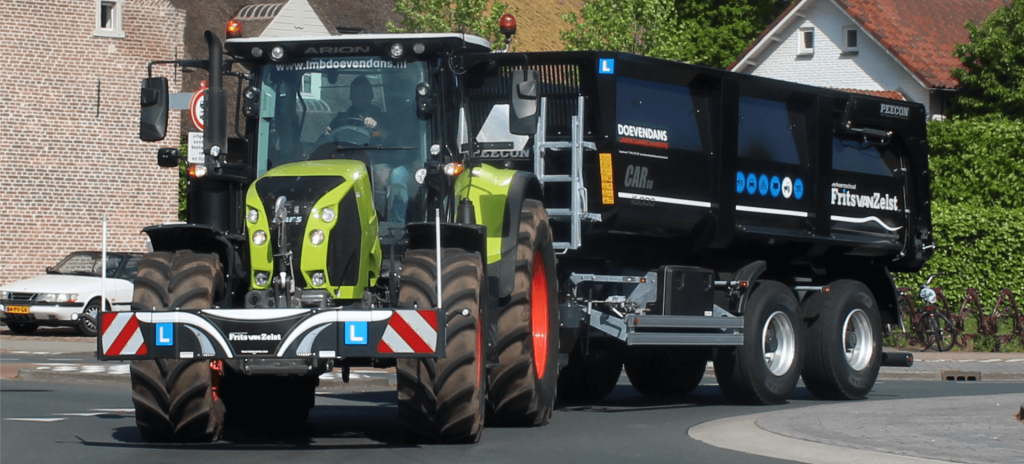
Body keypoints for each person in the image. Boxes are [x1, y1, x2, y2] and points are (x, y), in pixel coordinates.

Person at [324, 75, 385, 139]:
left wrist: (376, 127)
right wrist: (327, 133)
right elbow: (322, 142)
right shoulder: (340, 120)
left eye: (363, 95)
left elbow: (391, 140)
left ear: (371, 95)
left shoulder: (383, 118)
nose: (360, 99)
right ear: (351, 97)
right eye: (356, 95)